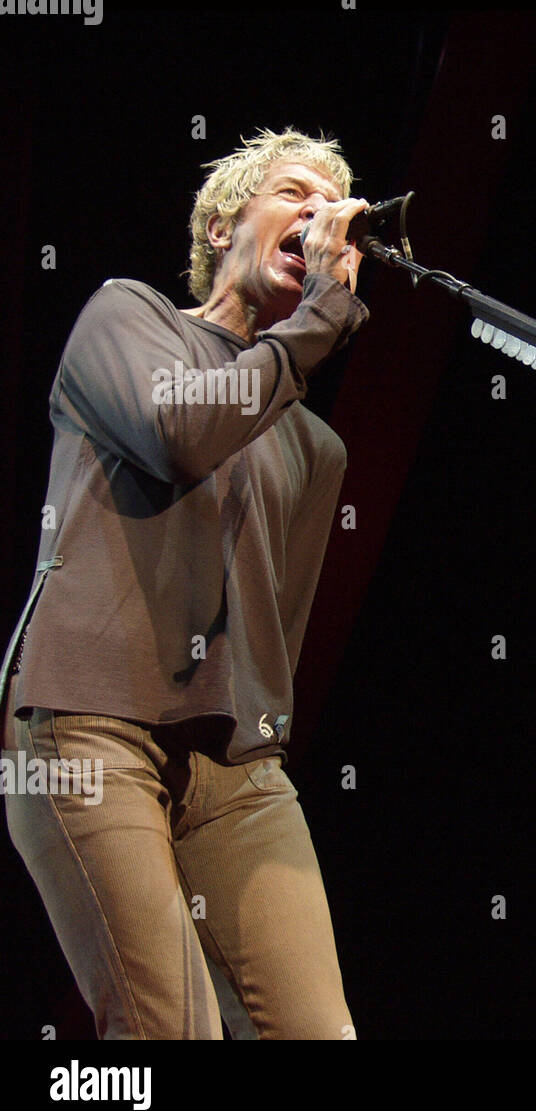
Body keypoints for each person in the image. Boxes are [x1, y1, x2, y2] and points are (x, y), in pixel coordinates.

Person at [1, 128, 370, 1039]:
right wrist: (316, 326)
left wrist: (264, 740)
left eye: (337, 204)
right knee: (170, 1032)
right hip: (90, 727)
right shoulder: (127, 320)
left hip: (232, 766)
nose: (321, 214)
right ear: (218, 228)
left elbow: (279, 623)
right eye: (295, 194)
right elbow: (178, 435)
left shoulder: (316, 444)